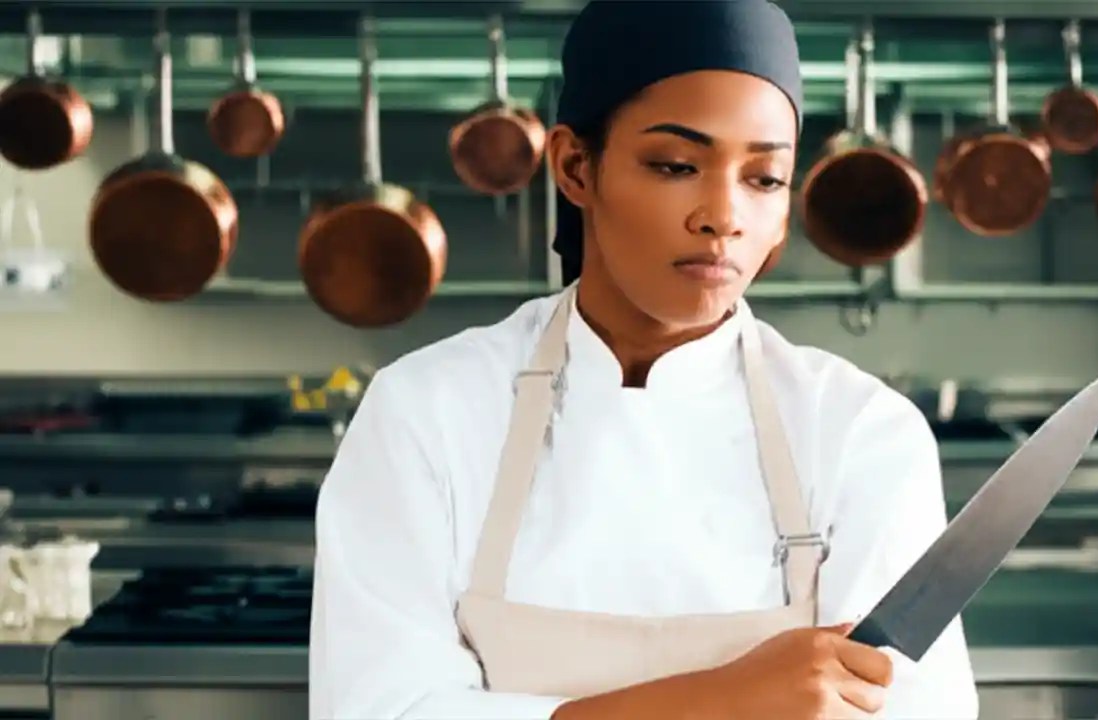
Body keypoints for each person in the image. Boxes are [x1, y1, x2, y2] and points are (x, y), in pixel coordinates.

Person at [309, 1, 980, 718]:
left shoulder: (859, 432)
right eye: (676, 164)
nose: (722, 215)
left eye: (764, 179)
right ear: (575, 166)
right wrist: (719, 701)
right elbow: (376, 710)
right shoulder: (425, 412)